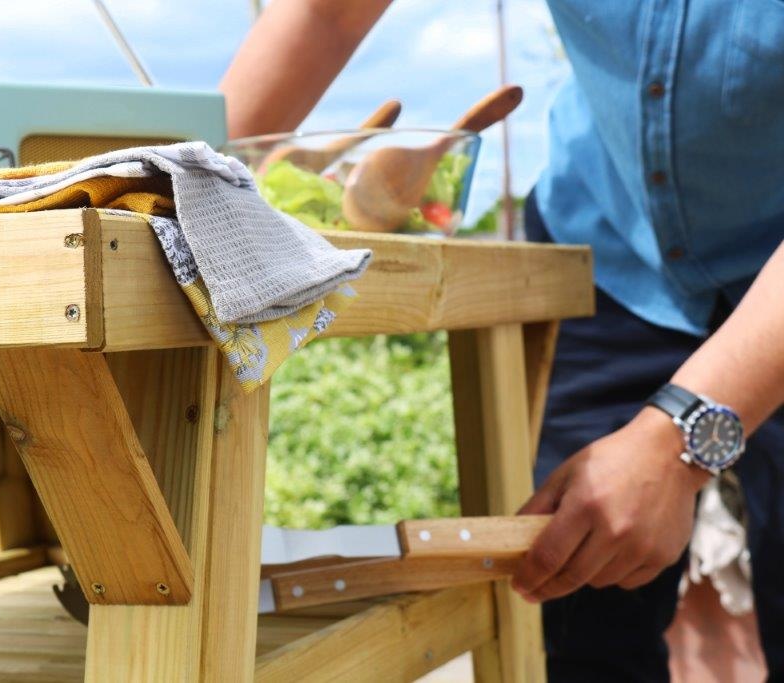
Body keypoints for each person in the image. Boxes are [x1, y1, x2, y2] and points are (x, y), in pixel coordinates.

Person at [220, 1, 784, 680]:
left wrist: (678, 440)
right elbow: (329, 13)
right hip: (610, 252)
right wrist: (174, 184)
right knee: (568, 618)